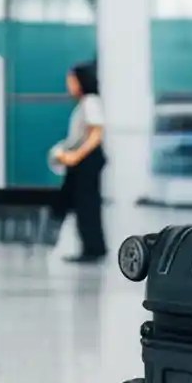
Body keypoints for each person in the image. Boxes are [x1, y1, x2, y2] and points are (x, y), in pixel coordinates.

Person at [52, 60, 108, 263]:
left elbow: (96, 133)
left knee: (87, 204)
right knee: (82, 203)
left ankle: (93, 249)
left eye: (71, 80)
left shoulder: (91, 102)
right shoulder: (84, 104)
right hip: (83, 158)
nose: (69, 85)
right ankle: (91, 246)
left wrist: (76, 156)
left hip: (88, 159)